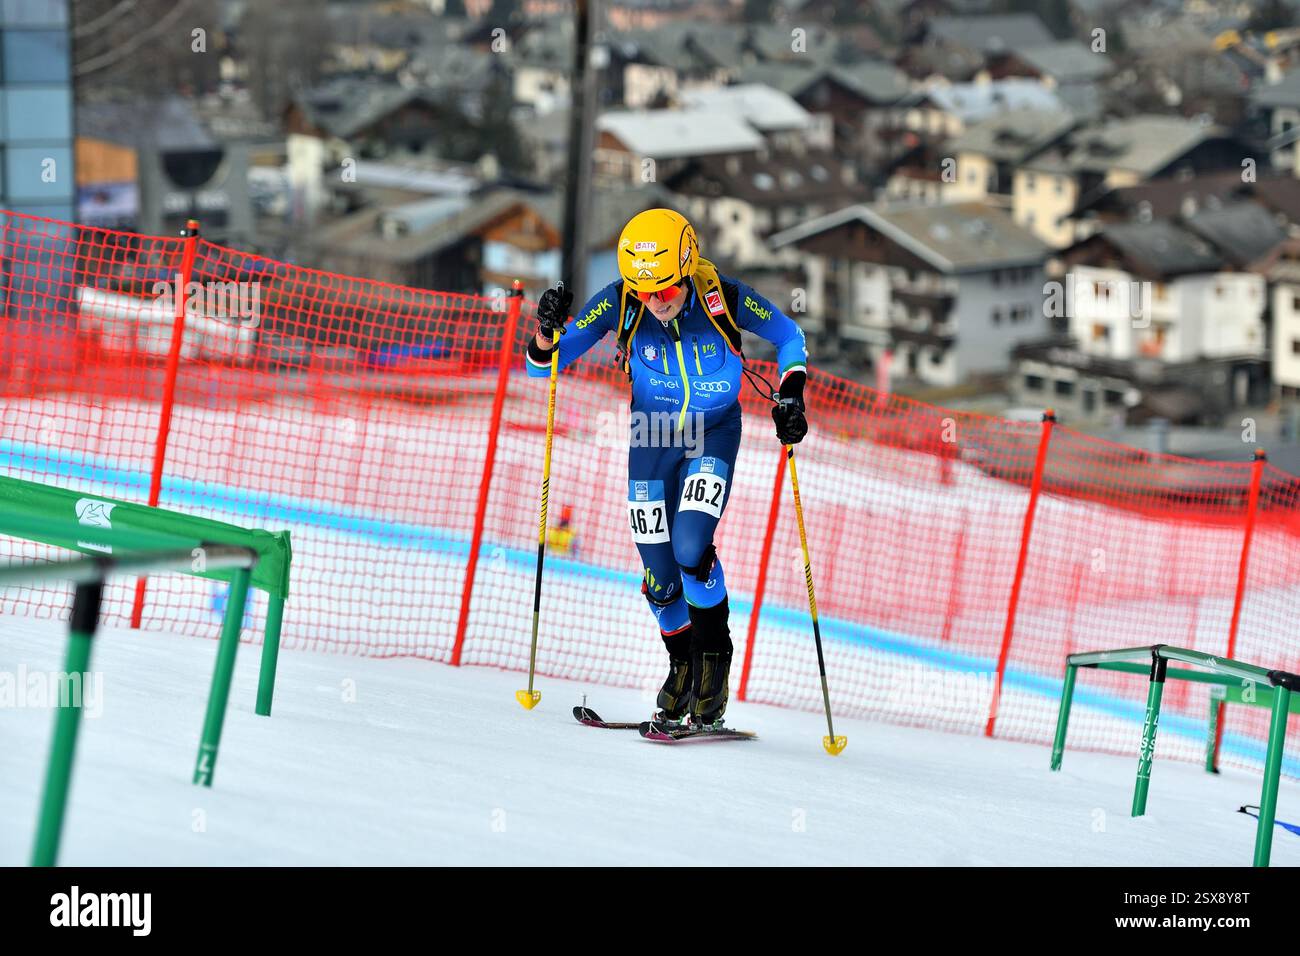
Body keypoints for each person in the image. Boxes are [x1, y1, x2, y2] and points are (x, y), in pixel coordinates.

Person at [525, 208, 809, 728]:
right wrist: (545, 330)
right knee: (659, 575)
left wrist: (791, 394)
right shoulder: (620, 301)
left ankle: (713, 663)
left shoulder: (720, 295)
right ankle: (680, 667)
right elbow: (545, 363)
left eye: (667, 289)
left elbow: (790, 335)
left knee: (690, 549)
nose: (656, 302)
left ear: (687, 268)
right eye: (645, 291)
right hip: (650, 437)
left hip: (713, 431)